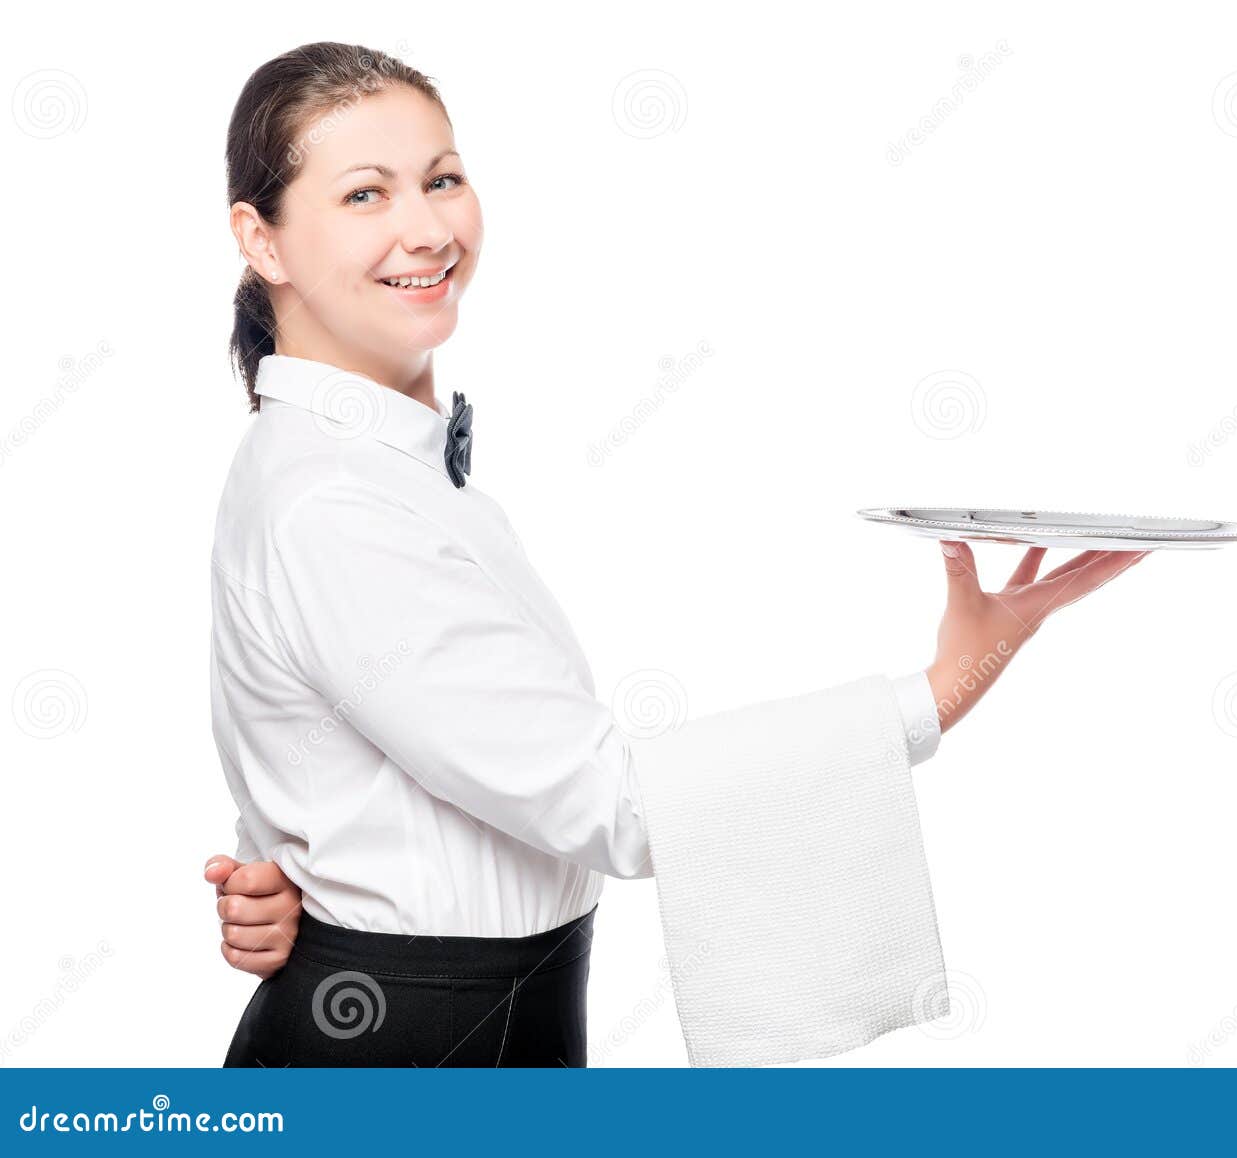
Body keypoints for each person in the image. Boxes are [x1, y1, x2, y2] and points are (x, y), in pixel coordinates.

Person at [206, 41, 1151, 1067]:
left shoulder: (345, 462)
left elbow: (311, 718)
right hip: (409, 1051)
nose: (428, 228)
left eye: (442, 178)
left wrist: (281, 859)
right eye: (364, 195)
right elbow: (611, 804)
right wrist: (942, 686)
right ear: (263, 241)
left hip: (446, 1023)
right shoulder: (339, 501)